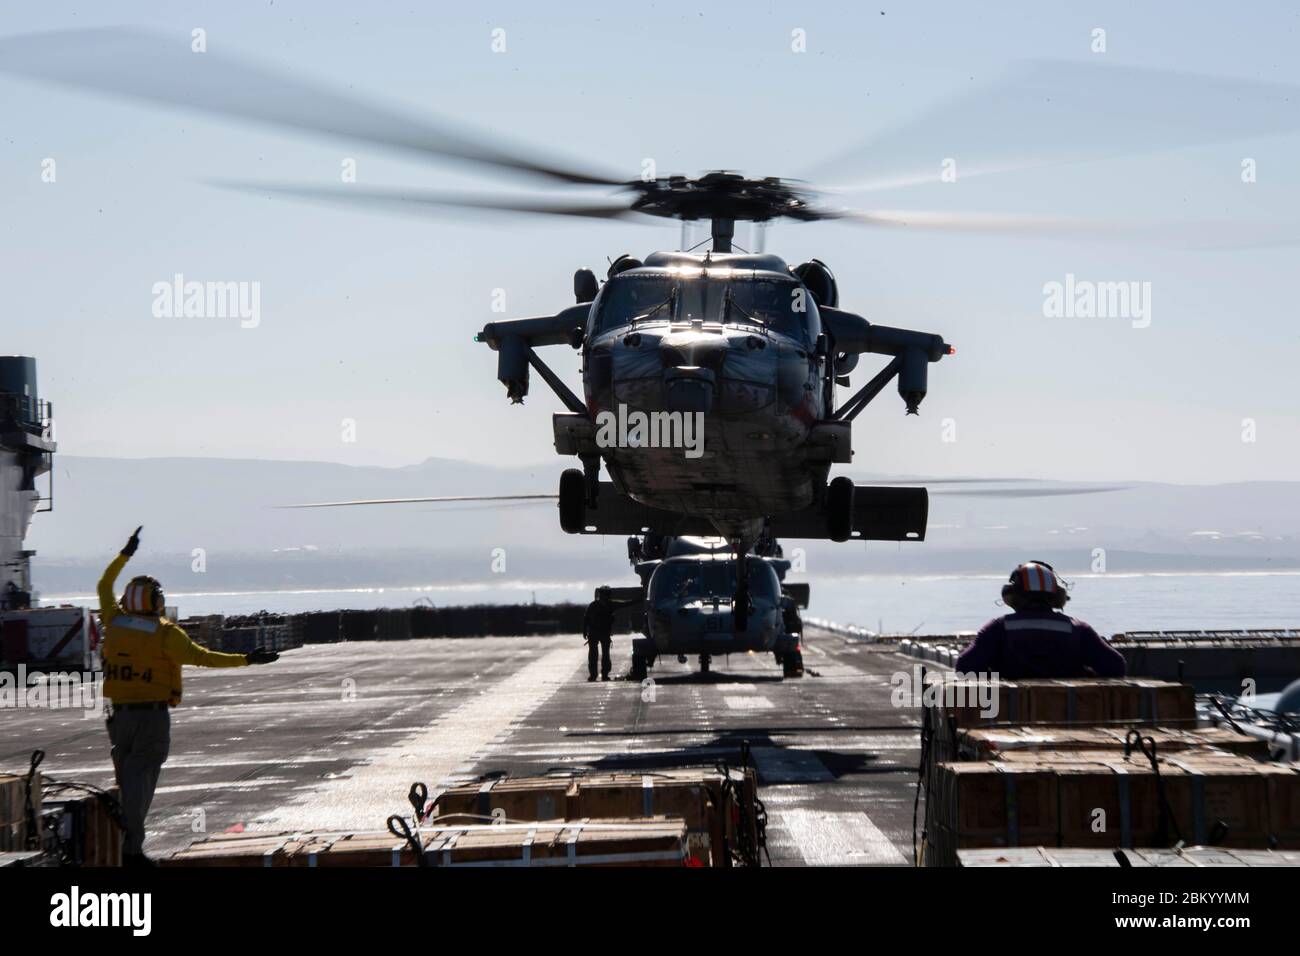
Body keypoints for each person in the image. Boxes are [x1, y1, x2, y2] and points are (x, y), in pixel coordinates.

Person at [99, 526, 279, 866]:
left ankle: (122, 847)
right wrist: (247, 660)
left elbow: (103, 585)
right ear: (156, 602)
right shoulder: (165, 634)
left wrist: (126, 553)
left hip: (118, 717)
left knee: (127, 782)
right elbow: (205, 657)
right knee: (141, 784)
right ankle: (131, 852)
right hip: (150, 717)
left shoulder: (113, 621)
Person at [956, 560, 1125, 679]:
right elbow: (1116, 667)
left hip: (1010, 714)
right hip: (1071, 711)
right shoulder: (1078, 629)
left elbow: (964, 668)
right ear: (1057, 597)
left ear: (1011, 596)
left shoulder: (998, 628)